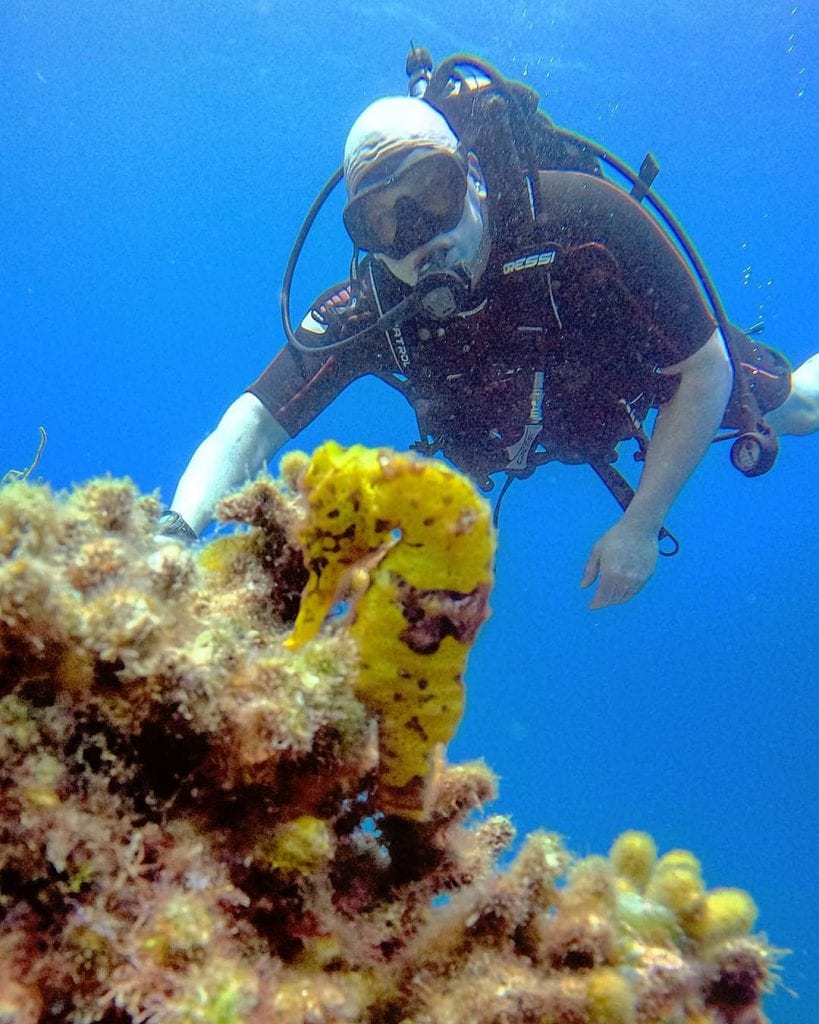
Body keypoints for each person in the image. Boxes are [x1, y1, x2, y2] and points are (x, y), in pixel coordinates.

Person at [160, 53, 819, 609]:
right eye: (384, 222)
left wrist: (640, 524)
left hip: (648, 376)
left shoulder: (582, 219)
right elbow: (248, 426)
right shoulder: (372, 305)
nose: (420, 237)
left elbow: (704, 370)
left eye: (431, 192)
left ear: (470, 176)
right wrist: (172, 537)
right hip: (538, 423)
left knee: (793, 405)